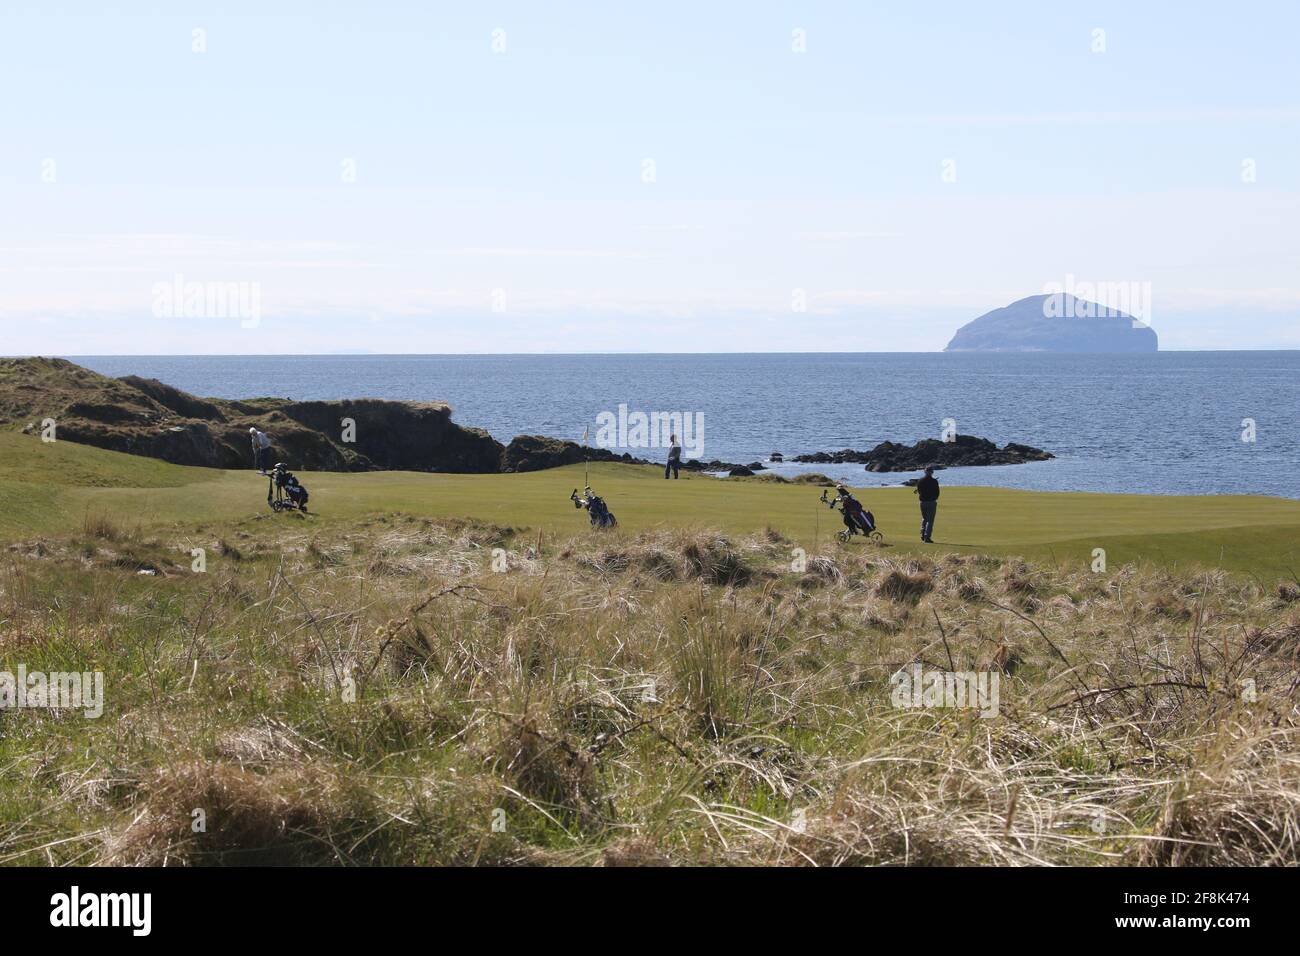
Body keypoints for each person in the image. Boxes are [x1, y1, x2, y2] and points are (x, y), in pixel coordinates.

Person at [915, 465, 940, 543]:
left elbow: (919, 491)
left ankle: (922, 534)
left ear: (925, 471)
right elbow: (937, 492)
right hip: (931, 502)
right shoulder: (934, 481)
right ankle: (927, 537)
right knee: (930, 520)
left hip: (923, 502)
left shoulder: (920, 481)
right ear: (932, 472)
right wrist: (934, 498)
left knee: (924, 518)